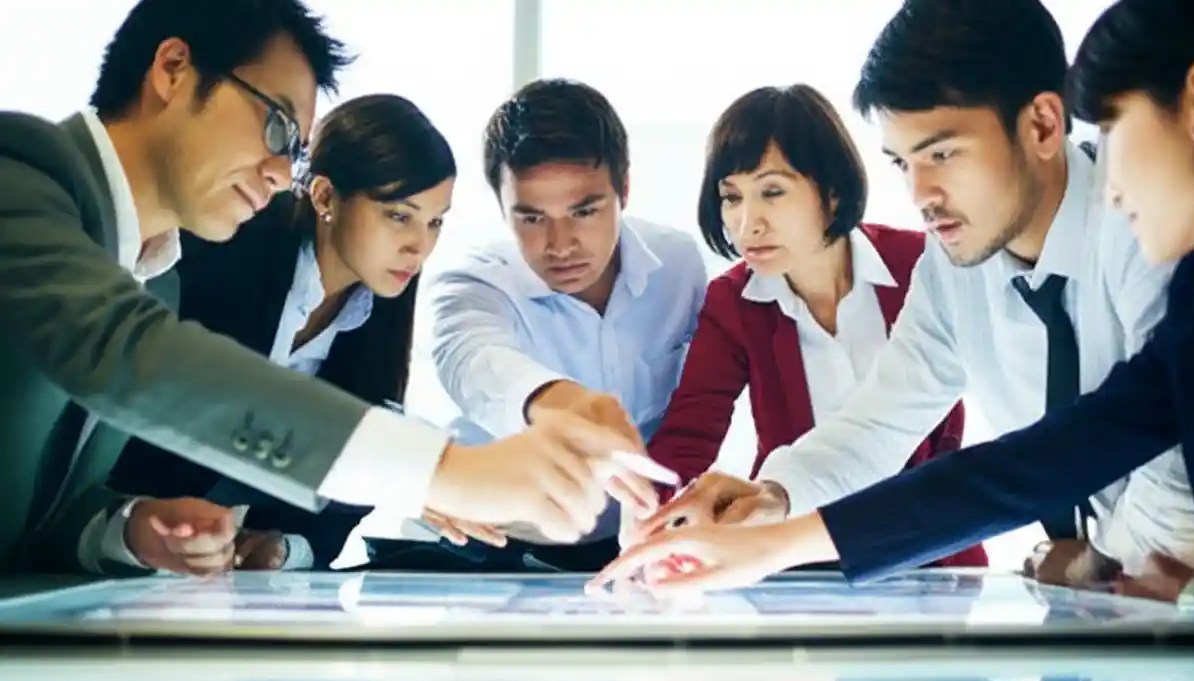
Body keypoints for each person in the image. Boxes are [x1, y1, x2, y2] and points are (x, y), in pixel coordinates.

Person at [593, 0, 1194, 618]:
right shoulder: (956, 266)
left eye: (943, 154)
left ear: (1044, 122)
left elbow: (1156, 459)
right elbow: (908, 432)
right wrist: (773, 510)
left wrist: (1114, 568)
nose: (921, 193)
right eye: (901, 163)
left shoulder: (1160, 242)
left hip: (1178, 597)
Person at [0, 0, 646, 577]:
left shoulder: (157, 283)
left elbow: (40, 524)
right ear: (172, 69)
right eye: (278, 126)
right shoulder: (20, 173)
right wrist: (444, 471)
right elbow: (126, 354)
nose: (284, 173)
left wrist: (131, 530)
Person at [363, 79, 708, 572]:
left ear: (624, 190)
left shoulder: (679, 266)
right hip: (477, 548)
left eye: (584, 211)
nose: (561, 243)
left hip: (624, 549)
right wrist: (564, 406)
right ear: (501, 208)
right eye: (531, 218)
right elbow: (477, 363)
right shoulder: (472, 283)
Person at [109, 94, 455, 571]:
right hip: (96, 527)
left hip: (198, 572)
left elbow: (334, 513)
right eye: (399, 215)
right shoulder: (226, 248)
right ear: (325, 196)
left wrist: (289, 547)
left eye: (435, 221)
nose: (420, 244)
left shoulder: (377, 312)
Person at [645, 84, 984, 568]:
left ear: (832, 190)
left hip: (932, 544)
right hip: (795, 555)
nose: (746, 224)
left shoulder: (922, 264)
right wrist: (652, 516)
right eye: (731, 197)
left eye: (772, 192)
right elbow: (691, 432)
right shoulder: (734, 301)